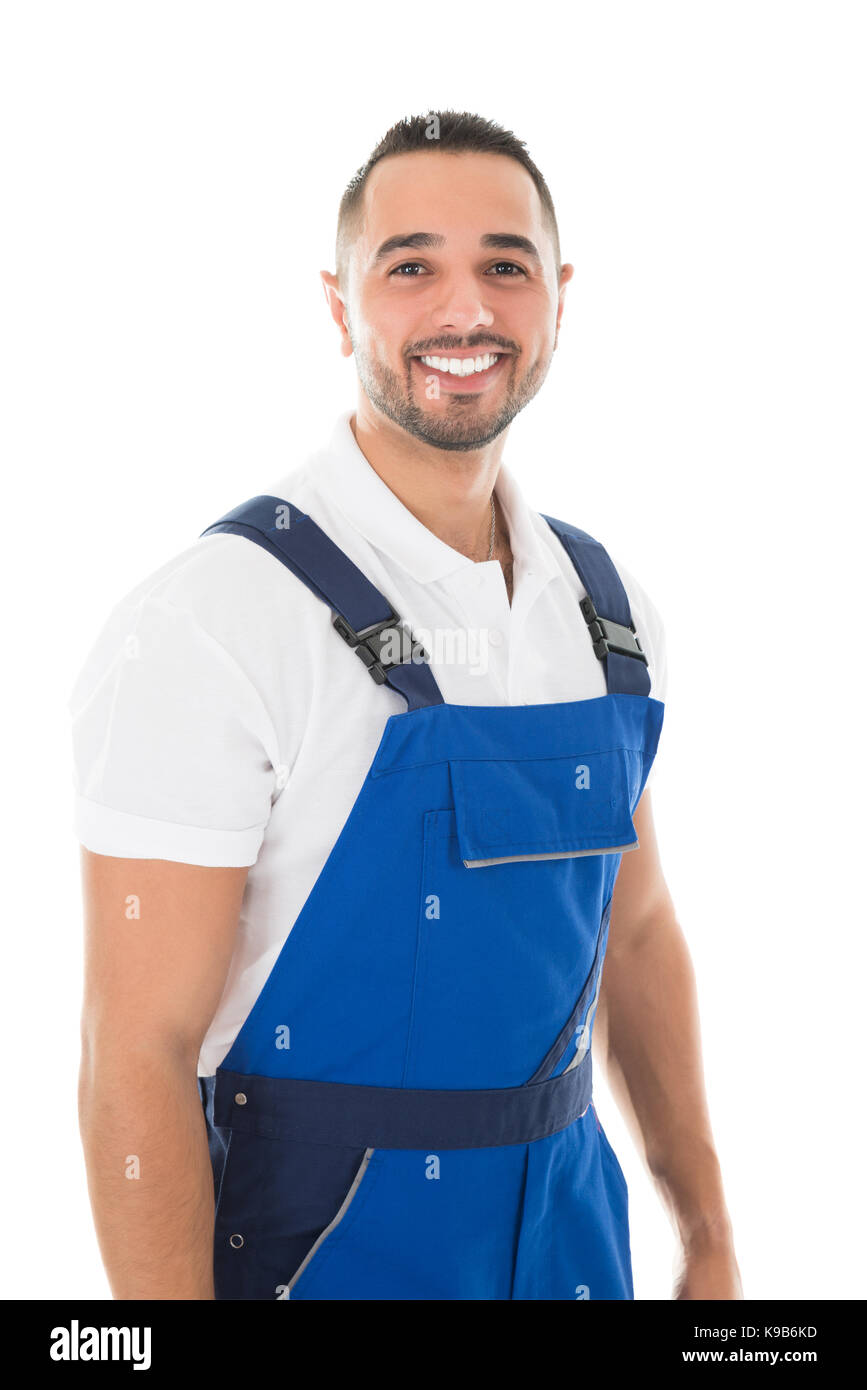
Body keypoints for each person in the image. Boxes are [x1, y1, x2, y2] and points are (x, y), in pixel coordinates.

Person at [70, 110, 742, 1301]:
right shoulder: (218, 619)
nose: (465, 309)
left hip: (577, 1255)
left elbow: (635, 934)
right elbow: (136, 1052)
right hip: (322, 1263)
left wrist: (707, 1236)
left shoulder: (609, 614)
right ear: (340, 307)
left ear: (558, 299)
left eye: (505, 266)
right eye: (411, 266)